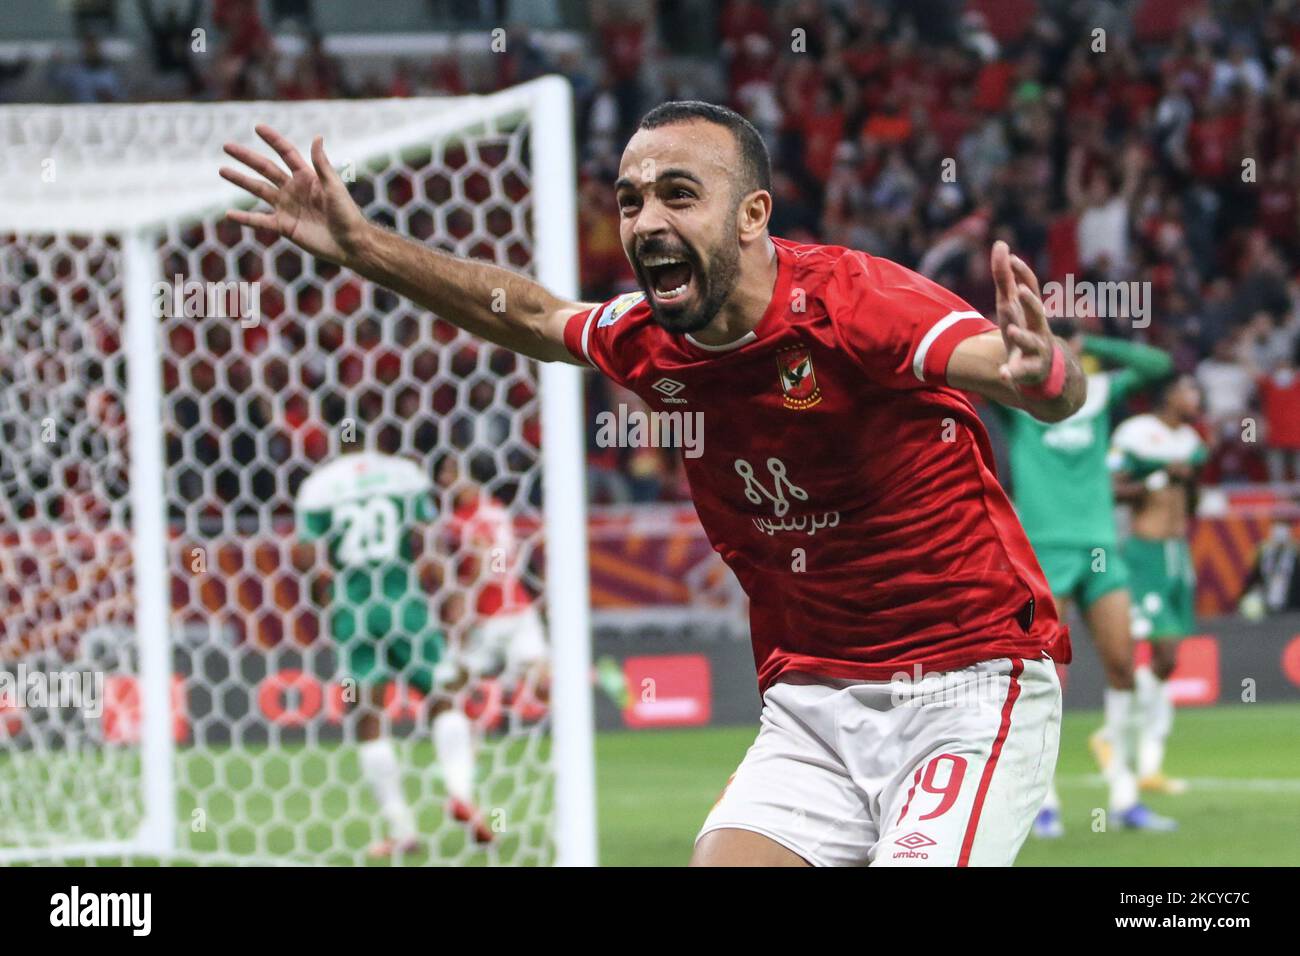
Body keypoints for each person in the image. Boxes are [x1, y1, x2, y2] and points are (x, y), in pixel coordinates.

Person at [223, 101, 1086, 866]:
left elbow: (1020, 379)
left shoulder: (852, 302)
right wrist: (361, 245)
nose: (644, 220)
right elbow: (529, 313)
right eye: (631, 199)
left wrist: (1044, 373)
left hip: (967, 683)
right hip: (810, 699)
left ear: (752, 215)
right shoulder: (646, 338)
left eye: (679, 194)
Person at [991, 320, 1177, 836]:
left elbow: (1158, 366)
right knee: (1043, 678)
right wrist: (1024, 343)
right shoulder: (1019, 397)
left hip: (1100, 547)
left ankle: (1124, 798)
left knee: (1122, 666)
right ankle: (1042, 802)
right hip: (1044, 549)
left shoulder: (1095, 393)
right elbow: (969, 370)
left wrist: (1088, 344)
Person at [294, 447, 493, 855]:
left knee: (368, 718)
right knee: (443, 700)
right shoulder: (404, 474)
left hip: (353, 610)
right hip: (406, 604)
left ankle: (402, 830)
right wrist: (448, 596)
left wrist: (326, 605)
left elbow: (308, 560)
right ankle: (460, 793)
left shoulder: (319, 487)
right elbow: (426, 545)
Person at [1111, 374, 1208, 800]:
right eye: (1189, 390)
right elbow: (1111, 487)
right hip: (1145, 554)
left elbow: (1191, 500)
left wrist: (1188, 482)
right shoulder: (1135, 433)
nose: (1195, 398)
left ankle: (1147, 763)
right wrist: (1157, 478)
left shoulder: (1190, 439)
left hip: (1177, 554)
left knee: (1169, 662)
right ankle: (1118, 740)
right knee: (1162, 651)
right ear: (1168, 393)